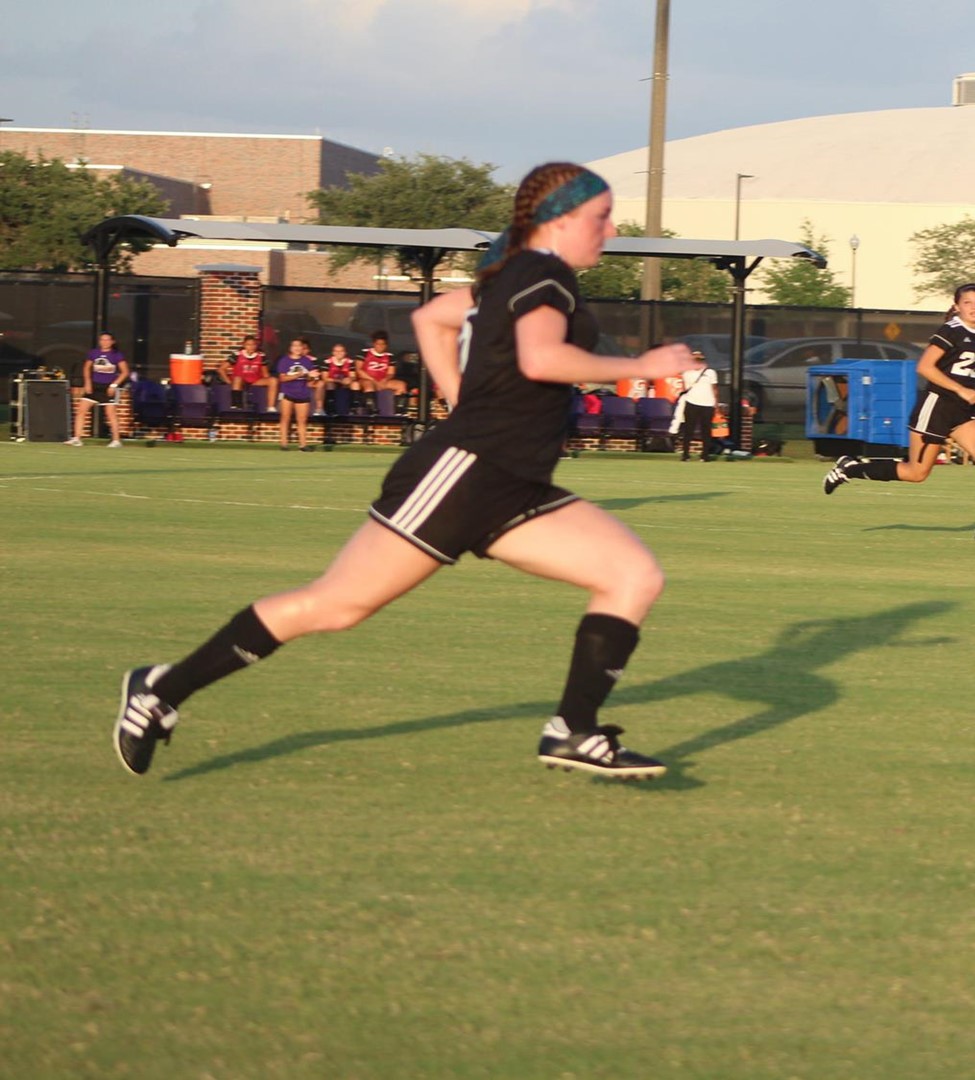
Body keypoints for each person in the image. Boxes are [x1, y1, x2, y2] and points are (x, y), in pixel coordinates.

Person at [112, 162, 698, 781]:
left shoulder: (516, 274)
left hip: (511, 482)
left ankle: (572, 731)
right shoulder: (541, 273)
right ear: (558, 218)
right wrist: (640, 363)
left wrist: (460, 398)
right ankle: (159, 690)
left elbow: (430, 321)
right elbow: (541, 356)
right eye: (600, 216)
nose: (609, 229)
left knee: (633, 575)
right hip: (463, 475)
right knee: (333, 607)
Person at [822, 283, 975, 544]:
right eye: (968, 303)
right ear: (957, 306)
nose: (974, 308)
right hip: (937, 408)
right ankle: (850, 468)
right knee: (916, 473)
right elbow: (925, 367)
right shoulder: (950, 331)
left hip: (963, 413)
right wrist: (961, 391)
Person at [67, 332, 129, 447]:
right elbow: (86, 367)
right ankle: (77, 438)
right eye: (102, 340)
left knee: (110, 413)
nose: (104, 342)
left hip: (108, 387)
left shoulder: (117, 355)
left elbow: (125, 372)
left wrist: (114, 385)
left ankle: (116, 441)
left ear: (112, 342)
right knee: (81, 411)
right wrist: (88, 383)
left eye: (107, 340)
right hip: (94, 386)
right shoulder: (94, 353)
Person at [274, 338, 319, 451]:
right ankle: (284, 444)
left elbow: (309, 379)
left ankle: (303, 445)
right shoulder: (284, 361)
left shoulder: (307, 361)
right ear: (291, 348)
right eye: (295, 346)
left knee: (302, 419)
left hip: (302, 393)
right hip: (288, 392)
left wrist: (312, 376)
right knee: (285, 417)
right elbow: (283, 378)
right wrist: (298, 375)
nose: (297, 348)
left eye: (299, 346)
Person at [674, 352, 718, 461]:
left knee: (706, 431)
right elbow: (685, 388)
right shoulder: (686, 373)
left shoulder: (710, 372)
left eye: (700, 360)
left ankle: (705, 455)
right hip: (691, 402)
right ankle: (685, 454)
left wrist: (716, 403)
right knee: (689, 429)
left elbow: (715, 389)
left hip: (708, 404)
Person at [214, 335, 273, 408]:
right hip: (241, 381)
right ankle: (236, 405)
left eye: (253, 344)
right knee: (237, 379)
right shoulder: (237, 355)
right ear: (244, 345)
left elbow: (265, 373)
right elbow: (221, 369)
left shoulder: (261, 355)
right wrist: (229, 382)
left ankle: (271, 407)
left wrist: (268, 380)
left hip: (255, 380)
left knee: (273, 380)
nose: (251, 347)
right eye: (248, 345)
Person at [317, 342, 363, 414]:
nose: (339, 353)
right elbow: (325, 378)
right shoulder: (326, 362)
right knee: (329, 384)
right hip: (333, 382)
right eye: (336, 351)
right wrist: (339, 381)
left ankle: (354, 408)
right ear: (333, 352)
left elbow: (353, 376)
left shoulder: (350, 362)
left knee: (355, 384)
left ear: (345, 352)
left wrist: (350, 379)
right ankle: (330, 408)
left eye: (341, 351)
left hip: (346, 383)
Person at [358, 332, 406, 400]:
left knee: (401, 385)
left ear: (386, 345)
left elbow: (391, 373)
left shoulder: (390, 357)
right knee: (369, 386)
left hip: (382, 381)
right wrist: (373, 380)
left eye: (383, 344)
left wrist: (385, 380)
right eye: (378, 344)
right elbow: (359, 370)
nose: (381, 346)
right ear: (374, 344)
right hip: (367, 380)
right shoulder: (364, 353)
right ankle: (371, 407)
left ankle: (396, 407)